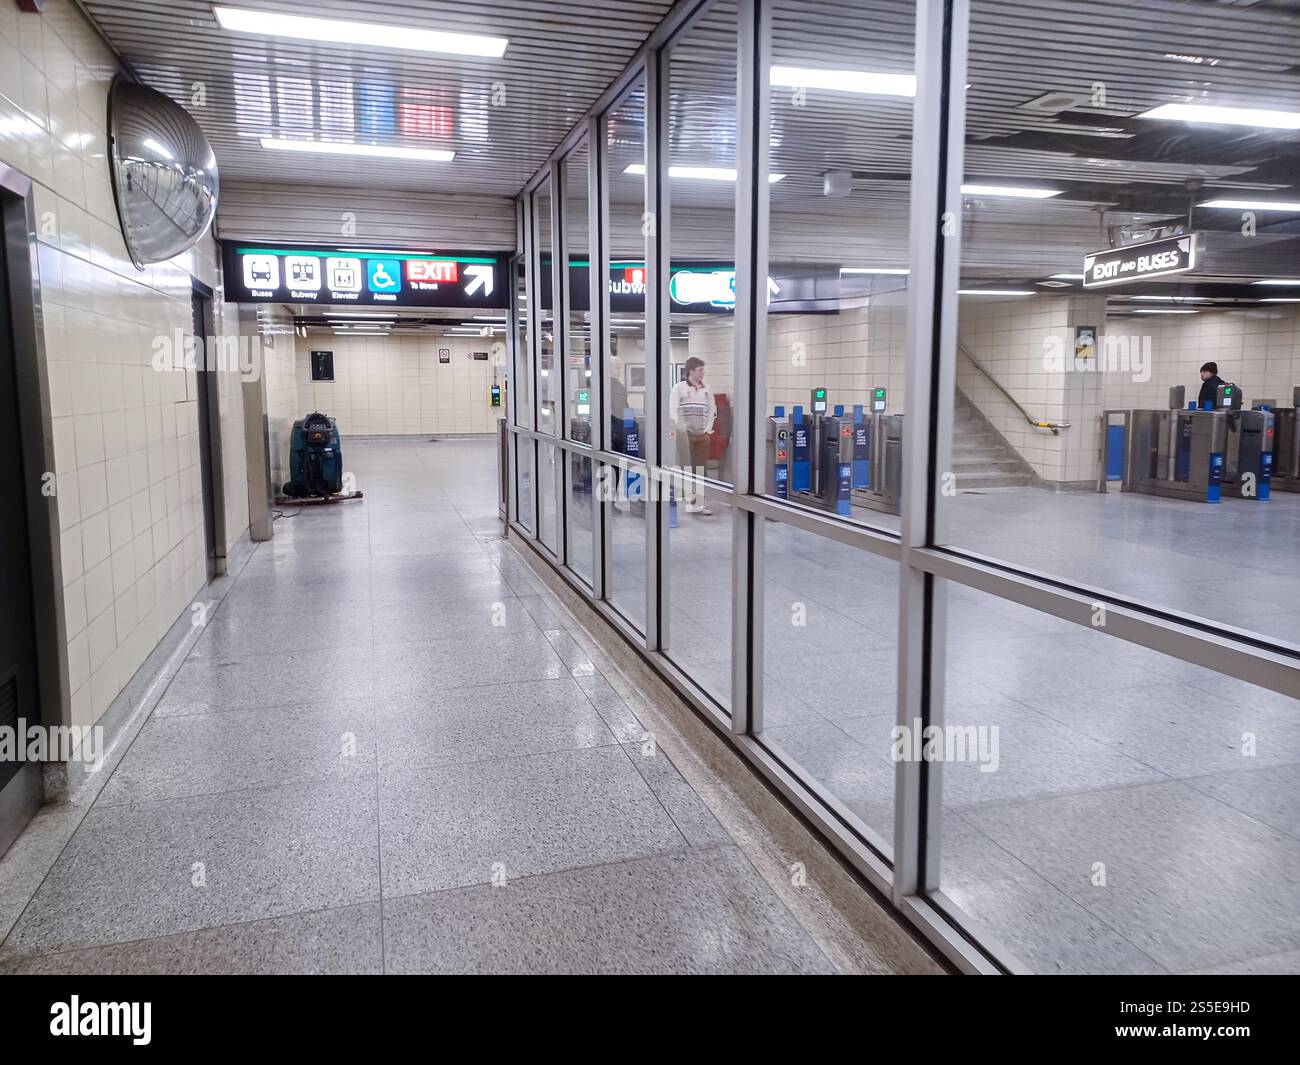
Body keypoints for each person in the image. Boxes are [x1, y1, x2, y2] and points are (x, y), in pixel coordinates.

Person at [669, 357, 717, 514]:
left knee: (700, 469)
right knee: (686, 468)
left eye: (703, 369)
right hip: (686, 434)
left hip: (702, 434)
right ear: (691, 371)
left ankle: (697, 502)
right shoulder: (679, 388)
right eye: (700, 370)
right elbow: (673, 409)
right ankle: (688, 498)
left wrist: (708, 429)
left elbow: (711, 410)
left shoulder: (707, 389)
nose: (703, 373)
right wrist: (680, 428)